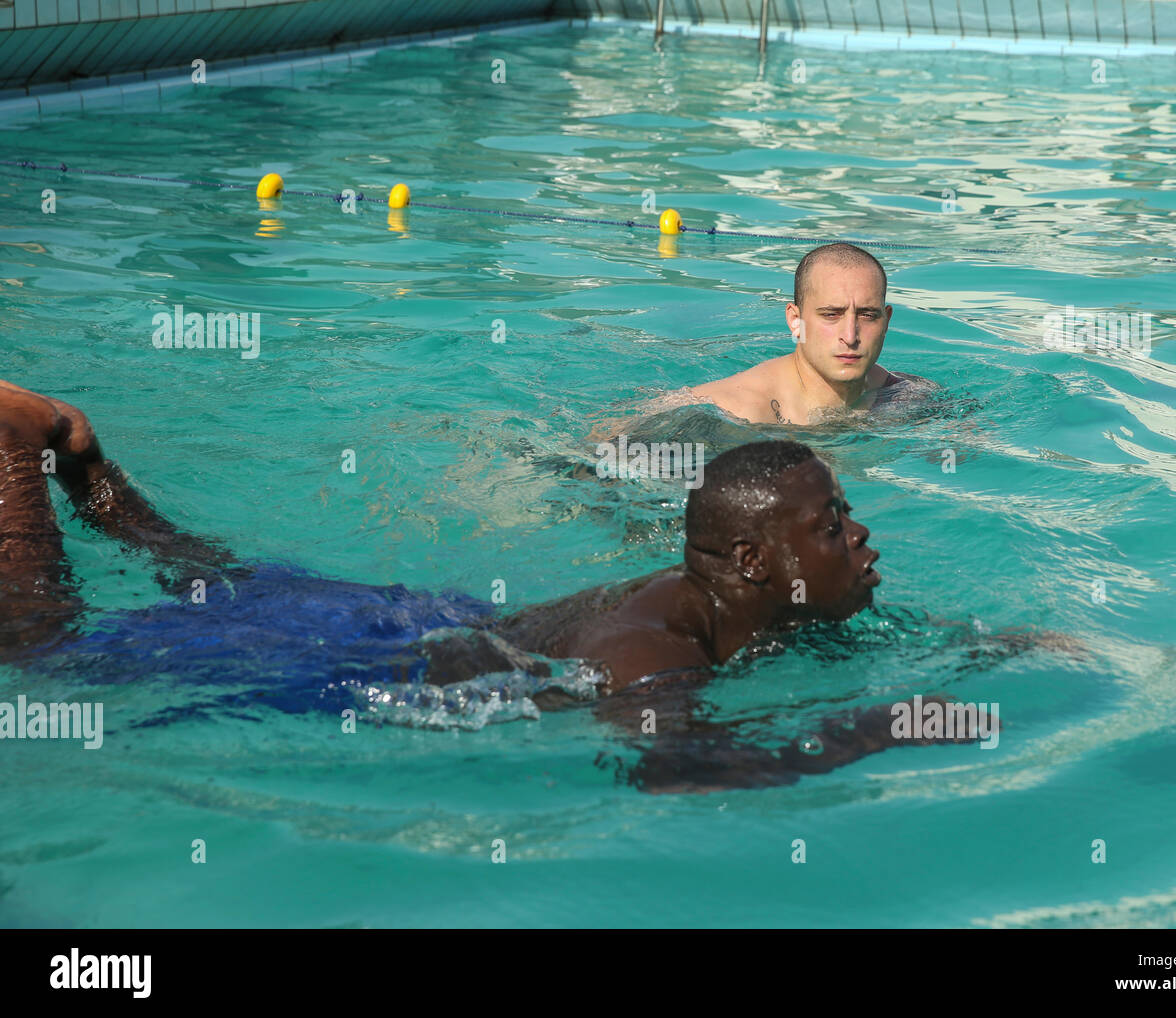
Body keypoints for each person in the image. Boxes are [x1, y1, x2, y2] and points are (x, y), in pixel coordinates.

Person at [1, 379, 1023, 793]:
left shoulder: (737, 594)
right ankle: (13, 450)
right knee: (48, 656)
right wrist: (892, 725)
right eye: (831, 525)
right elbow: (675, 771)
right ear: (757, 563)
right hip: (355, 661)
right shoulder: (647, 656)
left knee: (216, 570)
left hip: (437, 618)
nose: (860, 534)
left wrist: (1002, 650)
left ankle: (75, 454)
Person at [679, 242, 929, 426]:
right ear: (795, 321)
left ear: (886, 321)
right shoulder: (735, 410)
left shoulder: (905, 395)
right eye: (831, 315)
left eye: (867, 315)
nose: (850, 337)